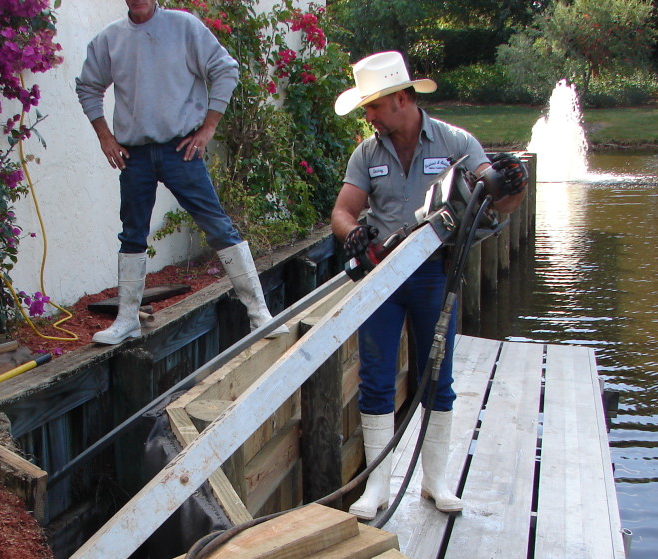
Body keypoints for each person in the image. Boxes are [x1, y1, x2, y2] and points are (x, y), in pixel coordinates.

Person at [330, 51, 528, 520]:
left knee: (437, 377)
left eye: (374, 107)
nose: (369, 117)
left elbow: (498, 204)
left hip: (436, 274)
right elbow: (342, 211)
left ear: (401, 98)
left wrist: (512, 186)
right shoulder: (367, 153)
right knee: (375, 380)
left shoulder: (457, 142)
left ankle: (435, 482)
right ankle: (377, 487)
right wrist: (350, 231)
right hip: (382, 277)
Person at [75, 0, 287, 345]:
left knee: (218, 226)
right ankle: (127, 317)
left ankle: (259, 313)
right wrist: (105, 137)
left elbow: (225, 69)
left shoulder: (185, 27)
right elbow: (88, 86)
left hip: (181, 151)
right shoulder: (109, 39)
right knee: (132, 234)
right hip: (136, 155)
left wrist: (208, 128)